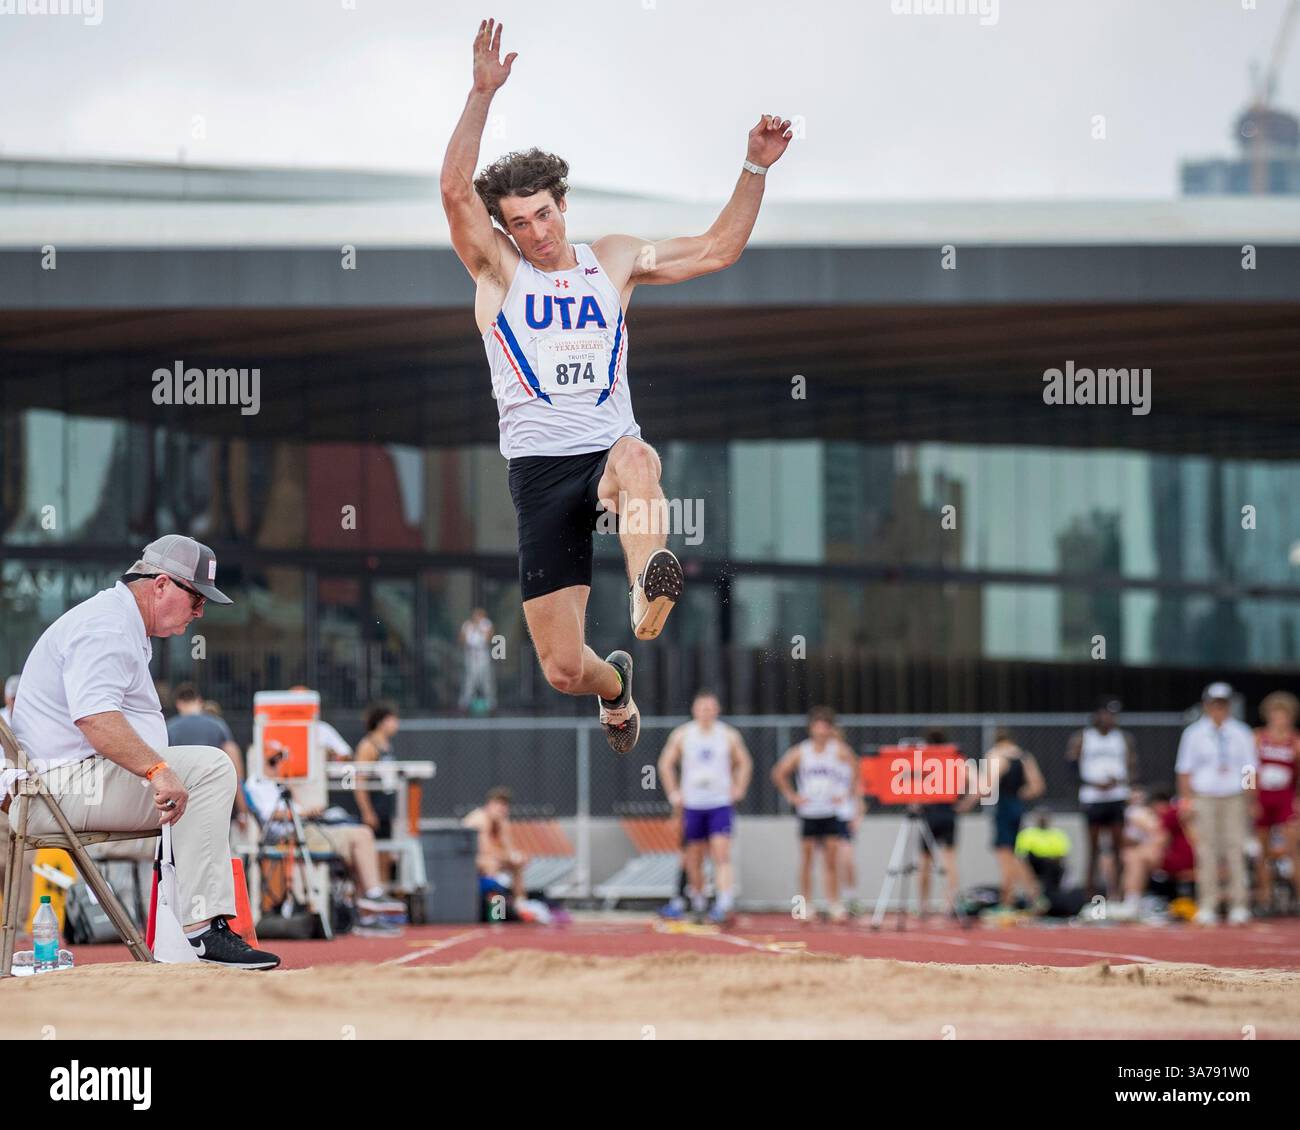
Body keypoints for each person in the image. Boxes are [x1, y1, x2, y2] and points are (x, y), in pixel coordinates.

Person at [440, 19, 793, 752]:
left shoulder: (616, 260)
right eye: (520, 223)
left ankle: (645, 593)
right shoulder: (498, 272)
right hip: (538, 475)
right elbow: (452, 190)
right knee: (565, 668)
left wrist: (755, 167)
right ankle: (618, 686)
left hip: (606, 450)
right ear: (505, 229)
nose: (536, 233)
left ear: (563, 204)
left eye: (544, 214)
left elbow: (718, 248)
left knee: (638, 461)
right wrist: (480, 95)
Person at [2, 535, 280, 969]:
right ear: (162, 584)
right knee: (210, 769)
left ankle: (193, 931)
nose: (201, 612)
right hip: (58, 789)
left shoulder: (118, 620)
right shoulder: (108, 625)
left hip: (64, 782)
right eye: (197, 599)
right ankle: (204, 930)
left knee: (200, 774)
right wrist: (157, 769)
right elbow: (95, 719)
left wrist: (159, 769)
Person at [657, 690, 753, 924]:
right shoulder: (683, 734)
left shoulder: (727, 735)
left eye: (710, 708)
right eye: (702, 708)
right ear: (694, 710)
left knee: (721, 853)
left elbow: (744, 762)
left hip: (719, 802)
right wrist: (674, 794)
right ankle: (698, 901)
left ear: (717, 710)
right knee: (694, 856)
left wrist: (739, 787)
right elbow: (665, 764)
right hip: (693, 803)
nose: (706, 713)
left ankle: (723, 902)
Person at [1175, 682, 1258, 926]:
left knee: (1235, 849)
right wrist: (1186, 800)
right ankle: (1208, 904)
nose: (1218, 709)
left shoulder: (1241, 732)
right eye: (1214, 704)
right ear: (1206, 705)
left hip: (1233, 796)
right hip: (1205, 796)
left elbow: (1249, 768)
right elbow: (1184, 770)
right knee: (1206, 850)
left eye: (1223, 704)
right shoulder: (1194, 733)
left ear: (1229, 706)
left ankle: (1239, 905)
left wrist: (1249, 798)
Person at [772, 707, 856, 923]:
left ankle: (833, 904)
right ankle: (804, 905)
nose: (821, 731)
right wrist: (792, 796)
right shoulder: (802, 751)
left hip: (830, 812)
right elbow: (779, 773)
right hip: (809, 812)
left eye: (825, 727)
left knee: (831, 860)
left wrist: (845, 793)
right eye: (817, 726)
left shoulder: (838, 750)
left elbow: (856, 770)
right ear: (811, 729)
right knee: (807, 861)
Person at [1065, 698, 1138, 899]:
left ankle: (1119, 894)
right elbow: (1071, 766)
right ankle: (1092, 896)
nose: (1109, 718)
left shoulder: (1123, 738)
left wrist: (1121, 781)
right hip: (1093, 797)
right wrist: (1091, 782)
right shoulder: (1084, 737)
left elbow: (1132, 765)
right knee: (1093, 849)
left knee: (1118, 847)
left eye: (1113, 715)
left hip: (1116, 796)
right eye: (1106, 714)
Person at [979, 728, 1046, 909]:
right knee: (1017, 854)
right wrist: (1020, 795)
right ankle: (1034, 894)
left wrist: (968, 800)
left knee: (1005, 854)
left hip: (1004, 807)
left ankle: (1007, 899)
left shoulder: (996, 755)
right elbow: (1037, 786)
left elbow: (987, 785)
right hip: (1017, 806)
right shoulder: (1023, 756)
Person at [167, 683, 249, 828]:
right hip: (214, 798)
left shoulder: (170, 728)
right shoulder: (218, 726)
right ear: (199, 700)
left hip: (181, 803)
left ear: (178, 703)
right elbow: (234, 768)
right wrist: (242, 811)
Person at [1253, 691, 1300, 913]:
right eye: (1276, 714)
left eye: (1284, 714)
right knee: (1262, 852)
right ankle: (1265, 898)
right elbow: (1247, 768)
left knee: (1293, 850)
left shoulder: (1296, 742)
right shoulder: (1257, 737)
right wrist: (1249, 796)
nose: (1280, 719)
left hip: (1285, 798)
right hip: (1262, 797)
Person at [920, 728, 964, 918]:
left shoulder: (923, 758)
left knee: (925, 861)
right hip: (948, 811)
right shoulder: (954, 757)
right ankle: (950, 904)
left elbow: (910, 783)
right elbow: (979, 784)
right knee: (949, 860)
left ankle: (923, 905)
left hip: (929, 813)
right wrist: (964, 805)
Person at [462, 787, 530, 910]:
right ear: (489, 804)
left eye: (504, 806)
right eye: (498, 805)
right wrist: (507, 856)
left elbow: (509, 848)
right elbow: (484, 850)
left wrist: (516, 857)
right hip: (468, 861)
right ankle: (497, 912)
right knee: (490, 864)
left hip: (492, 859)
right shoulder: (480, 819)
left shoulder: (502, 823)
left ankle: (520, 904)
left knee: (516, 864)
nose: (501, 809)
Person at [353, 701, 400, 840]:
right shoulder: (368, 746)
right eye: (393, 720)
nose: (397, 724)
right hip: (374, 807)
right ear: (382, 722)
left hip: (386, 806)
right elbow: (358, 781)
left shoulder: (387, 745)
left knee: (387, 852)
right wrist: (367, 812)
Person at [458, 608, 496, 714]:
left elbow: (490, 638)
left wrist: (480, 629)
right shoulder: (467, 625)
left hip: (483, 654)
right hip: (471, 654)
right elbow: (461, 639)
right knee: (470, 680)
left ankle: (491, 704)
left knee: (486, 680)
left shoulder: (486, 624)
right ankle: (465, 704)